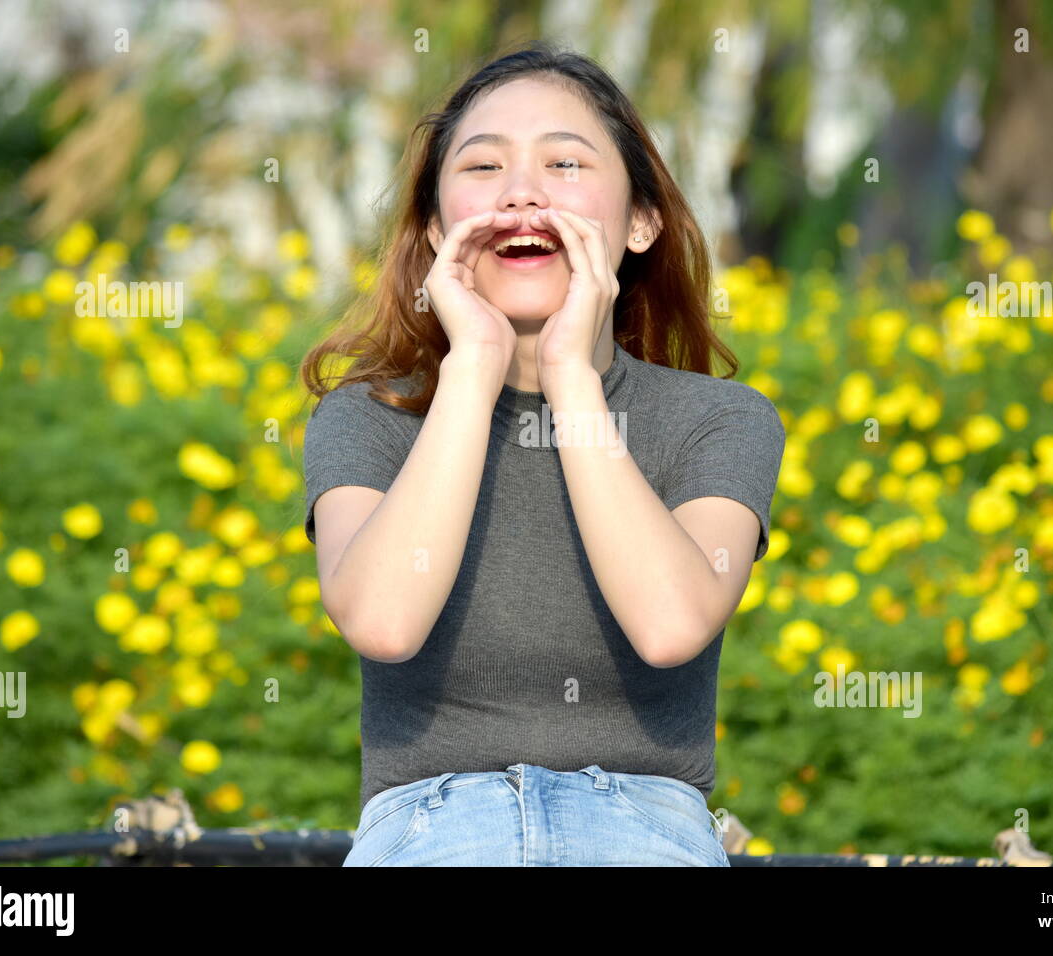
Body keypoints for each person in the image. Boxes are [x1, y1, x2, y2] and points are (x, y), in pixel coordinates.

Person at [300, 41, 785, 866]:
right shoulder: (368, 421)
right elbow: (382, 621)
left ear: (640, 221)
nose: (521, 194)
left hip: (643, 831)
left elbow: (671, 624)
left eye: (564, 162)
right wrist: (474, 370)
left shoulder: (718, 420)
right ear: (433, 227)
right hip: (429, 830)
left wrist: (568, 375)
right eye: (483, 169)